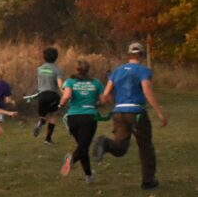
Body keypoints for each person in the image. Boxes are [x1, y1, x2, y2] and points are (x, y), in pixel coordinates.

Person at [92, 42, 168, 189]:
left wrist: (116, 104)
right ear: (141, 55)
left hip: (119, 112)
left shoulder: (117, 71)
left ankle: (105, 143)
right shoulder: (143, 71)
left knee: (120, 147)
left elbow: (106, 95)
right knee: (145, 146)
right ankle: (148, 181)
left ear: (129, 55)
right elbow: (147, 91)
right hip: (136, 113)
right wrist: (160, 112)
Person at [58, 60, 104, 183]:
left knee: (82, 147)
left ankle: (88, 176)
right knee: (83, 147)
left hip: (72, 118)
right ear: (88, 70)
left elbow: (66, 96)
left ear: (76, 69)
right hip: (89, 118)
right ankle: (72, 159)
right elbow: (103, 100)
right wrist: (96, 103)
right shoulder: (96, 83)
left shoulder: (70, 81)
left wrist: (60, 105)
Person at [32, 47, 64, 145]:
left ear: (44, 57)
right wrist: (66, 94)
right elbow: (60, 85)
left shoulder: (39, 69)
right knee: (52, 115)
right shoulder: (57, 70)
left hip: (41, 95)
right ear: (56, 57)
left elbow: (39, 82)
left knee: (43, 115)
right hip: (52, 95)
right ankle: (48, 139)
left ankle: (41, 121)